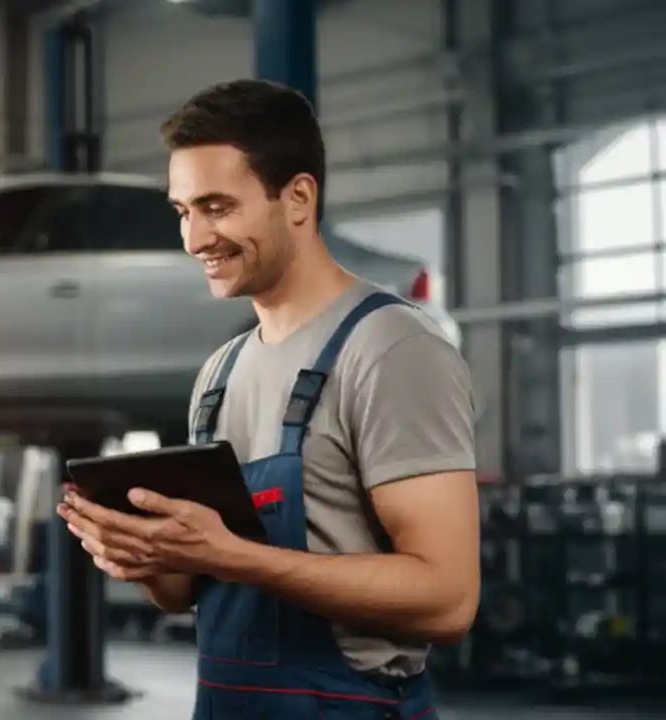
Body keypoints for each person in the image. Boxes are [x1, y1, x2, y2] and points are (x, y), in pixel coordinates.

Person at [58, 79, 480, 719]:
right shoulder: (219, 374)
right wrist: (143, 555)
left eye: (218, 207)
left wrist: (238, 558)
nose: (195, 240)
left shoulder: (391, 348)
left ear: (299, 199)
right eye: (183, 212)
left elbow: (448, 600)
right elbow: (186, 592)